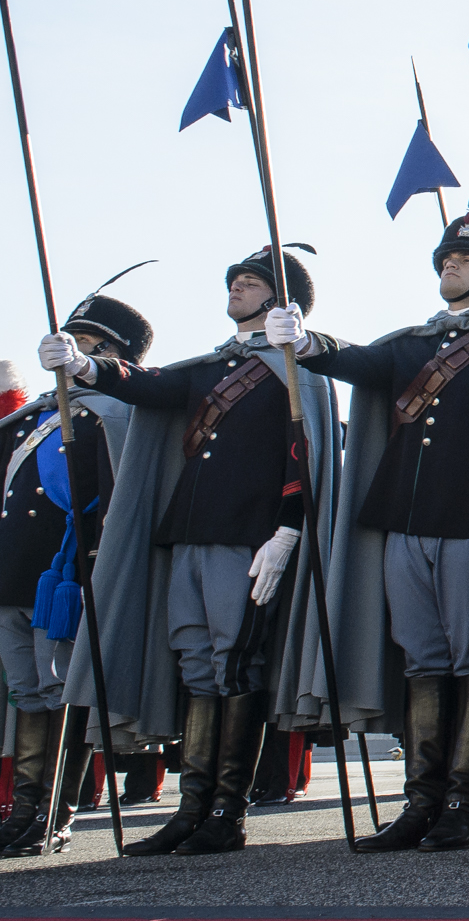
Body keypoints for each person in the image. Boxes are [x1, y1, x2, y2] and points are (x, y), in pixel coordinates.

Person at [267, 202, 469, 852]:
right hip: (405, 520)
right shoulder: (414, 342)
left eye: (465, 260)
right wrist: (306, 342)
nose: (450, 265)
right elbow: (358, 363)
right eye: (446, 258)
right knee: (425, 662)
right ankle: (420, 800)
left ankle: (461, 802)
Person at [51, 247, 339, 856]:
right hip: (190, 530)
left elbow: (304, 453)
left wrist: (288, 530)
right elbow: (147, 386)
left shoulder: (294, 368)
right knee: (198, 667)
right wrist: (85, 367)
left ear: (284, 301)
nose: (239, 287)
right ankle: (192, 806)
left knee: (236, 663)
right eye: (236, 279)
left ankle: (225, 814)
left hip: (248, 536)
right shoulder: (211, 366)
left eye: (254, 282)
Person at [0, 300, 143, 857]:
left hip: (64, 573)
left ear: (111, 354)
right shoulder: (34, 417)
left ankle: (52, 812)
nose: (68, 350)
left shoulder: (111, 413)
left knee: (60, 691)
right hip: (15, 574)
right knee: (28, 696)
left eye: (85, 340)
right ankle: (25, 806)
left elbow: (116, 499)